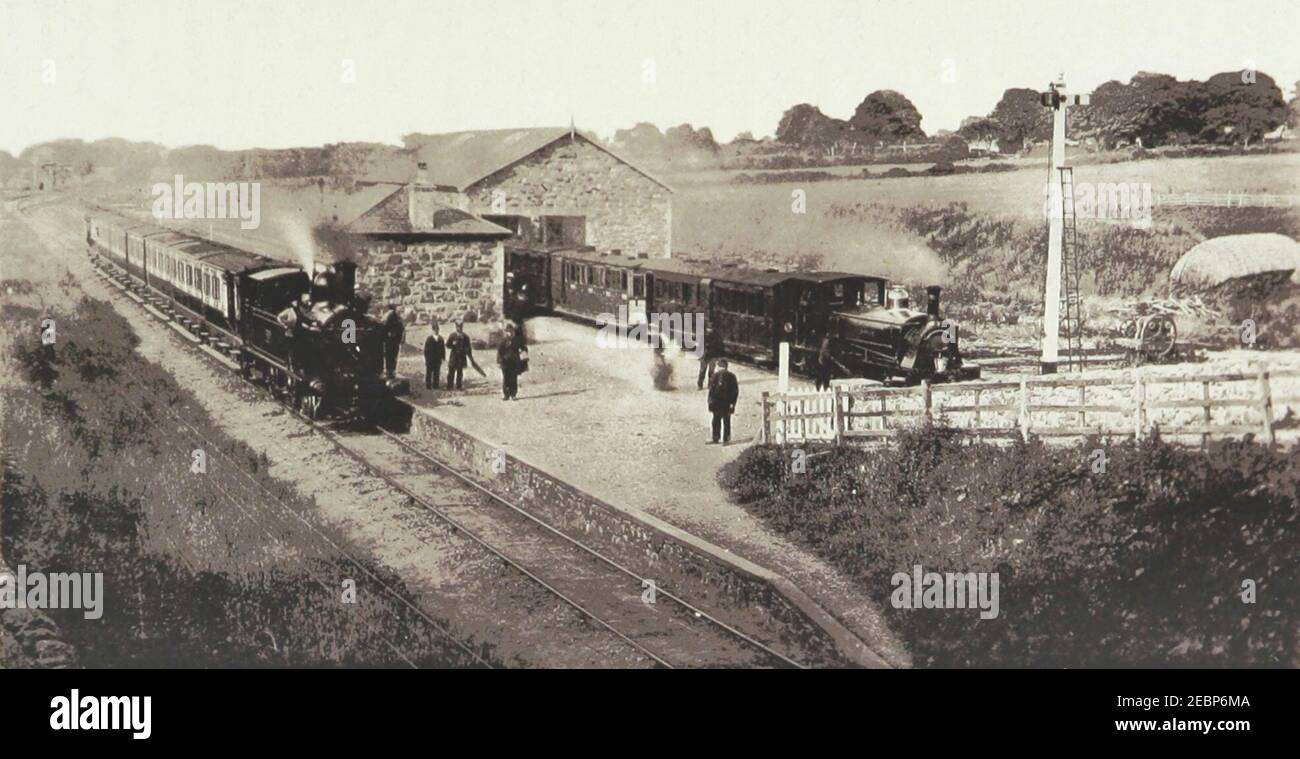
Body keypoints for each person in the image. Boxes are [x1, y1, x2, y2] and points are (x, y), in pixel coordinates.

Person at [707, 358, 739, 445]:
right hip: (727, 403)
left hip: (716, 402)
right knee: (726, 421)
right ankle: (726, 439)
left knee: (716, 421)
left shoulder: (714, 376)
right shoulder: (732, 376)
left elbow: (711, 391)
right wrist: (733, 403)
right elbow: (735, 391)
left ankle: (716, 438)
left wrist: (710, 402)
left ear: (720, 366)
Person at [496, 324, 524, 401]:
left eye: (511, 331)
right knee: (506, 379)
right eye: (508, 332)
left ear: (514, 332)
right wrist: (499, 361)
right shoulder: (503, 341)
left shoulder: (517, 341)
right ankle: (506, 395)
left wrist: (524, 360)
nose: (510, 333)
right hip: (505, 363)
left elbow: (523, 349)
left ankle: (513, 394)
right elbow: (499, 352)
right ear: (505, 333)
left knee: (513, 379)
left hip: (514, 363)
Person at [446, 321, 472, 390]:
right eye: (458, 327)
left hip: (461, 357)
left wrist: (469, 355)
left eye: (461, 327)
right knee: (451, 372)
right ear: (456, 327)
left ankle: (459, 386)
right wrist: (452, 344)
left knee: (460, 372)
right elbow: (447, 345)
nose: (459, 328)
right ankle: (449, 386)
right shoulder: (452, 335)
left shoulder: (465, 336)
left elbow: (468, 347)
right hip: (454, 357)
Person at [382, 305, 404, 379]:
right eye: (399, 310)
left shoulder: (399, 318)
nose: (400, 312)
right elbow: (386, 327)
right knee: (389, 356)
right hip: (390, 341)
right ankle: (389, 372)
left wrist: (400, 339)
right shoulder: (391, 316)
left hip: (396, 341)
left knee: (394, 357)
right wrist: (389, 335)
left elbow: (401, 328)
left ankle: (392, 371)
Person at [423, 323, 446, 390]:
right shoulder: (429, 339)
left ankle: (436, 385)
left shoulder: (441, 339)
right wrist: (427, 359)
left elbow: (443, 349)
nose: (436, 331)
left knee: (437, 372)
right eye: (435, 330)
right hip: (430, 359)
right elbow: (426, 350)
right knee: (429, 373)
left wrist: (443, 357)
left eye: (437, 330)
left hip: (437, 359)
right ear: (432, 330)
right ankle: (428, 385)